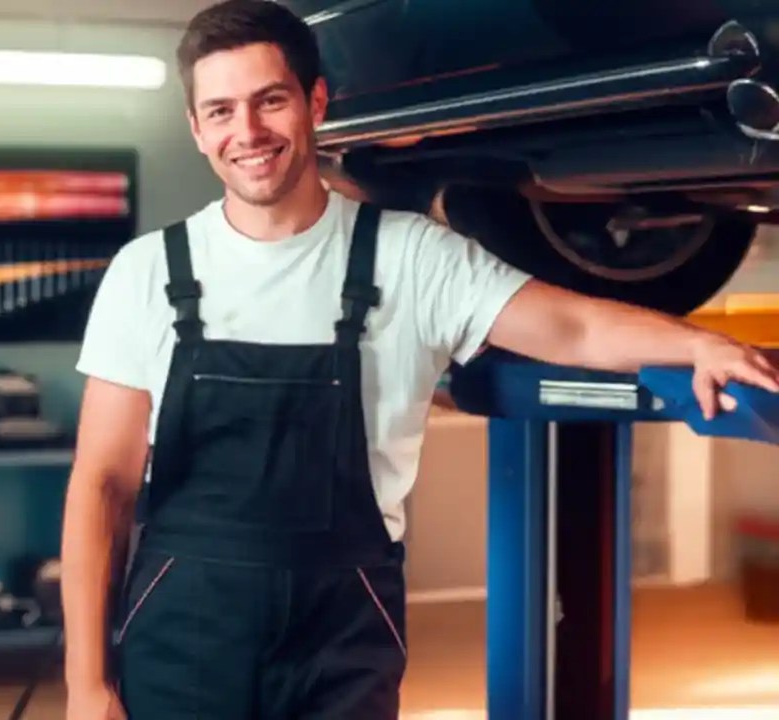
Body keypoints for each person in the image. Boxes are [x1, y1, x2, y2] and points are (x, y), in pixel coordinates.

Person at [58, 1, 779, 718]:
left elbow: (570, 326)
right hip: (186, 632)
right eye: (219, 111)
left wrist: (696, 343)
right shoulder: (147, 271)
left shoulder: (409, 256)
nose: (246, 132)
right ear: (195, 128)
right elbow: (103, 485)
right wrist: (87, 686)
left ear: (315, 102)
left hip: (341, 634)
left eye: (269, 101)